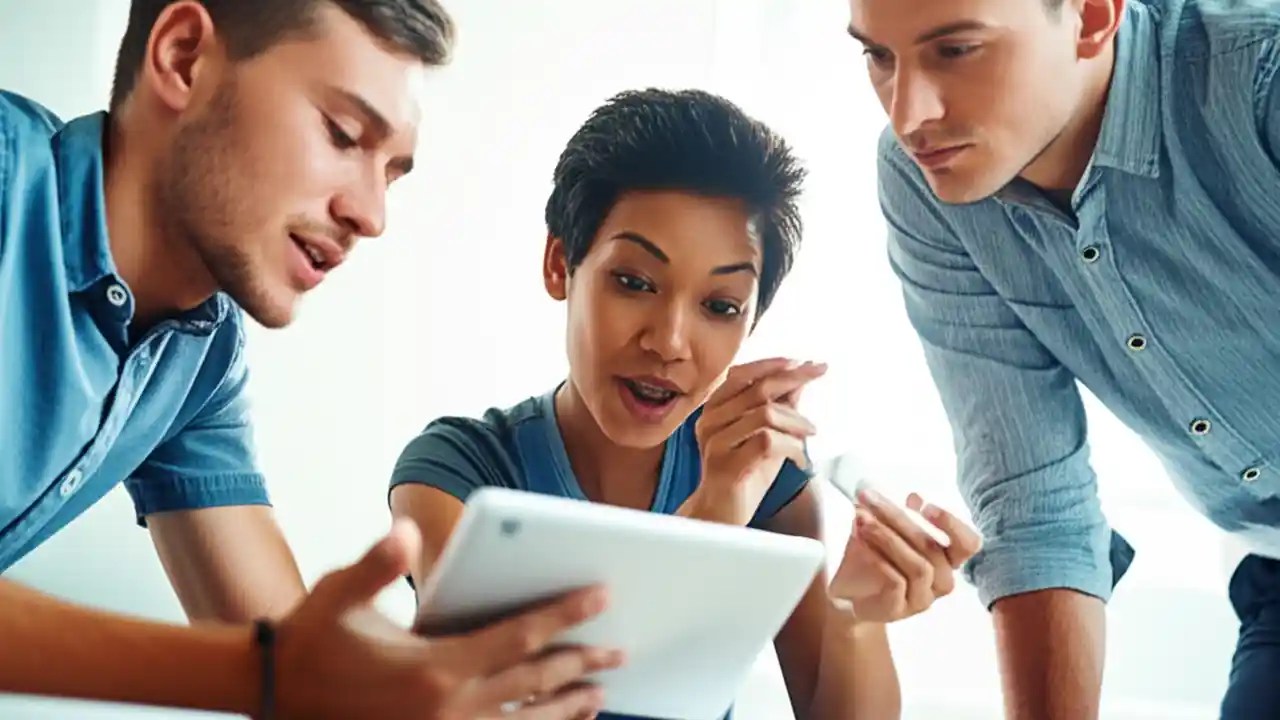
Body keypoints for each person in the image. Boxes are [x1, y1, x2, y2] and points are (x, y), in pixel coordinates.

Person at [0, 1, 622, 718]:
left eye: (392, 174)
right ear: (181, 58)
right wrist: (256, 673)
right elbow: (274, 665)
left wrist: (426, 689)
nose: (371, 216)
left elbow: (297, 659)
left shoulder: (201, 353)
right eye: (344, 134)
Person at [389, 87, 983, 720]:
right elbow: (529, 701)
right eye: (634, 283)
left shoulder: (768, 477)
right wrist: (715, 513)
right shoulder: (454, 472)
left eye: (720, 306)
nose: (669, 342)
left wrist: (859, 616)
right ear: (561, 263)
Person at [851, 0, 1280, 716]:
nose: (909, 113)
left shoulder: (1260, 75)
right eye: (879, 57)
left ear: (1089, 16)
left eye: (955, 51)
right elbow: (1035, 504)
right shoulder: (929, 184)